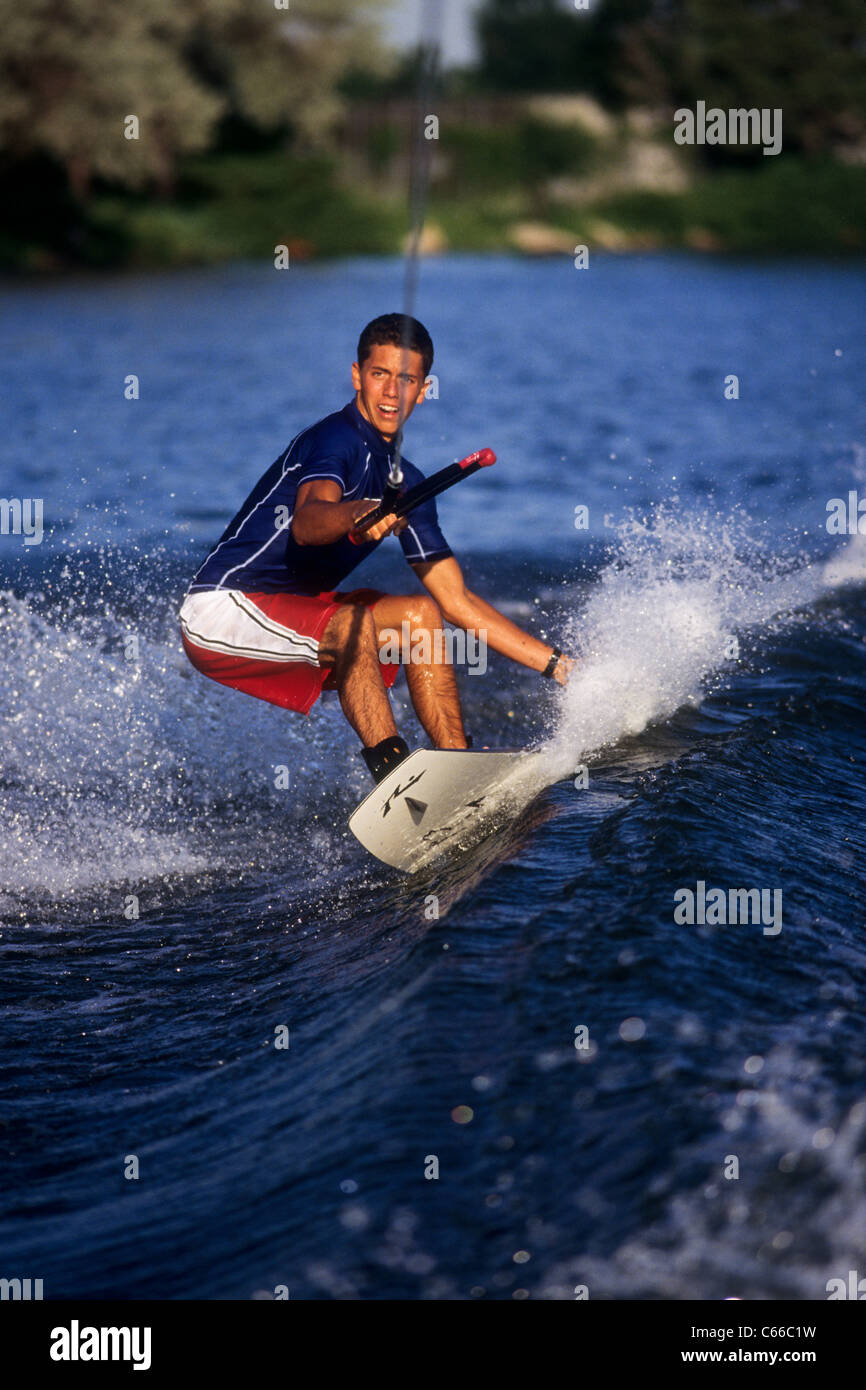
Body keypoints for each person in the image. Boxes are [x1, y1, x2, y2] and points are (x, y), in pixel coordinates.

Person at [179, 313, 573, 783]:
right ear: (357, 376)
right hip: (223, 608)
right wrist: (359, 515)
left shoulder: (409, 484)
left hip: (292, 609)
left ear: (424, 389)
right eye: (379, 374)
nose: (391, 392)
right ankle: (394, 777)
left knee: (421, 617)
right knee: (352, 624)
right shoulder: (334, 441)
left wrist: (560, 667)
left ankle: (458, 767)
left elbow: (457, 602)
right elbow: (306, 523)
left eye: (406, 379)